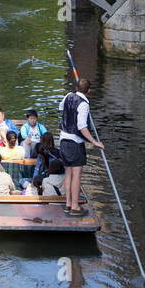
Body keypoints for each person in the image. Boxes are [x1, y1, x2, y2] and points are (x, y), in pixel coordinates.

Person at [58, 77, 103, 217]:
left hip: (63, 141)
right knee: (76, 175)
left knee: (69, 173)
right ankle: (75, 206)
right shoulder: (84, 104)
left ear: (77, 88)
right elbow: (82, 127)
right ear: (88, 91)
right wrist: (94, 142)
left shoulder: (68, 96)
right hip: (75, 143)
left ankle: (68, 204)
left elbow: (61, 107)